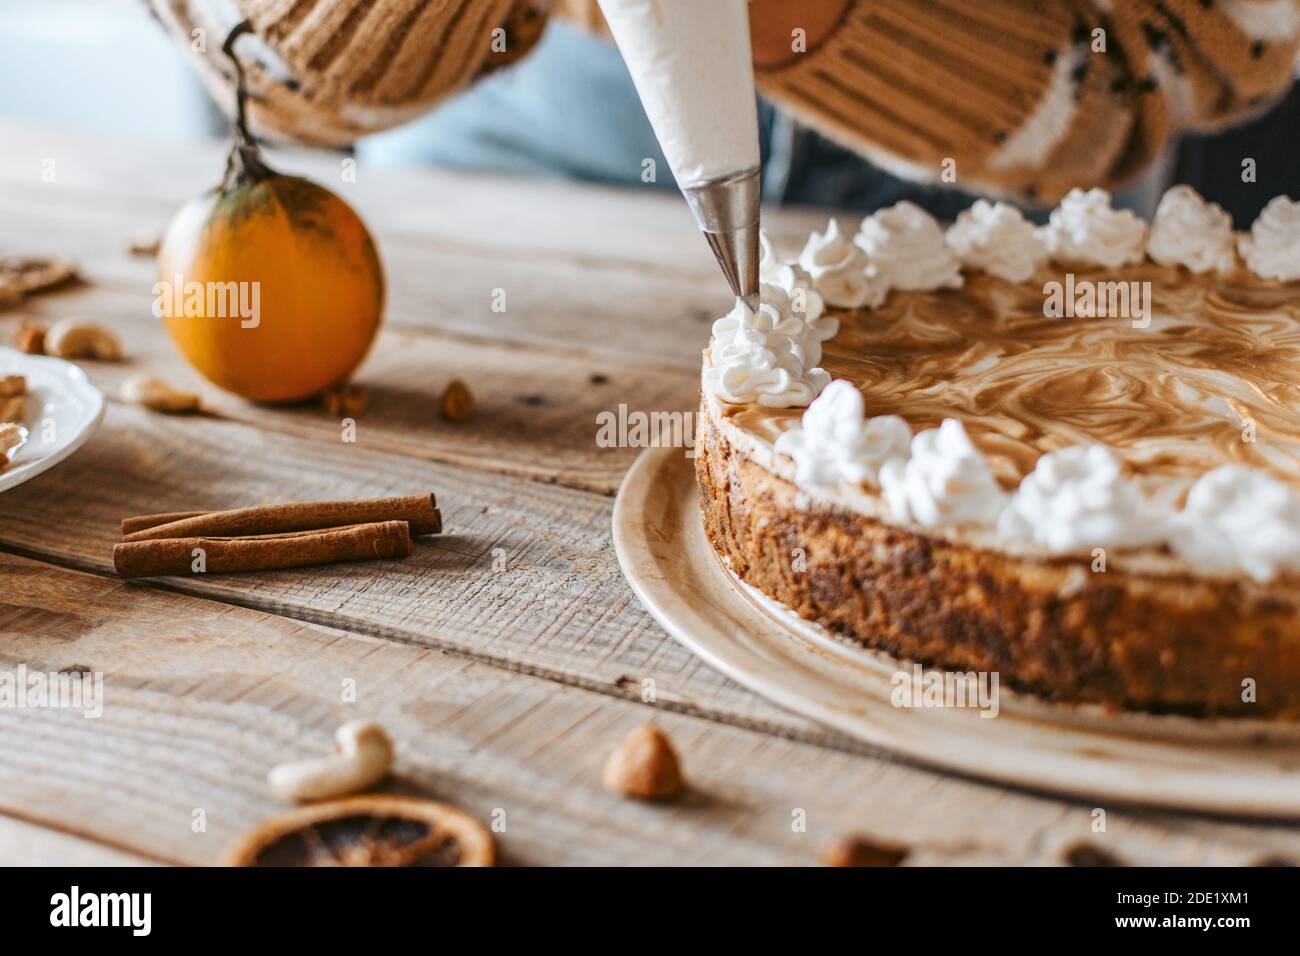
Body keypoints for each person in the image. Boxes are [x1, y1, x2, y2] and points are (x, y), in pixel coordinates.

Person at [145, 0, 1299, 218]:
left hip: (996, 229)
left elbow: (1188, 57)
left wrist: (786, 15)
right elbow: (261, 79)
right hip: (505, 183)